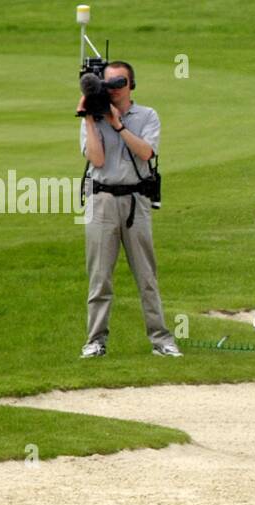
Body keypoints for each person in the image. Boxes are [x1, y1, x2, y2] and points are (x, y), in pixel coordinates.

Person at [77, 60, 181, 359]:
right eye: (107, 83)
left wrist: (118, 124)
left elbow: (147, 152)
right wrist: (88, 118)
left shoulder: (147, 115)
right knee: (100, 277)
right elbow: (96, 160)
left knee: (146, 276)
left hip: (137, 200)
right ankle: (95, 341)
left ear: (131, 85)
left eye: (118, 82)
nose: (112, 88)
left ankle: (161, 339)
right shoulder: (92, 119)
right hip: (102, 201)